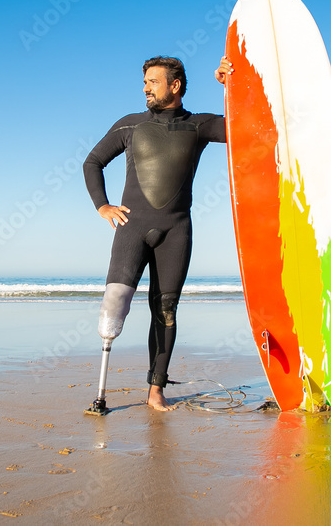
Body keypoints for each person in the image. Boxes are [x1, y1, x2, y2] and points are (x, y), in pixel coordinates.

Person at [83, 55, 234, 411]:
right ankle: (100, 392)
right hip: (131, 229)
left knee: (166, 310)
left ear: (175, 85)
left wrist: (230, 87)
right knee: (114, 306)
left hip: (176, 231)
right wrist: (102, 205)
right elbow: (93, 161)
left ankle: (155, 389)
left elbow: (240, 129)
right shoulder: (130, 125)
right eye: (145, 82)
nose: (146, 88)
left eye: (153, 81)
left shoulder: (198, 125)